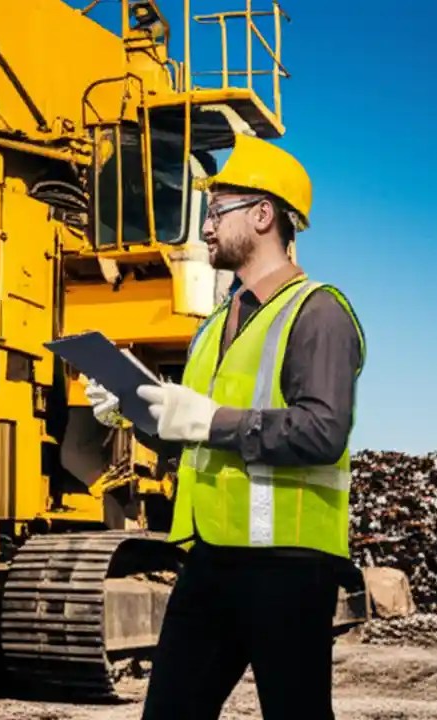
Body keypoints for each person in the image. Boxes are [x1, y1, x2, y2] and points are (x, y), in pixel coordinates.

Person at [84, 134, 366, 719]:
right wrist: (132, 413)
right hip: (211, 558)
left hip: (290, 566)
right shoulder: (214, 326)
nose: (205, 227)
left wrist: (210, 420)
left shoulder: (318, 312)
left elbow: (322, 431)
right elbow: (189, 436)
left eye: (217, 211)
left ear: (264, 215)